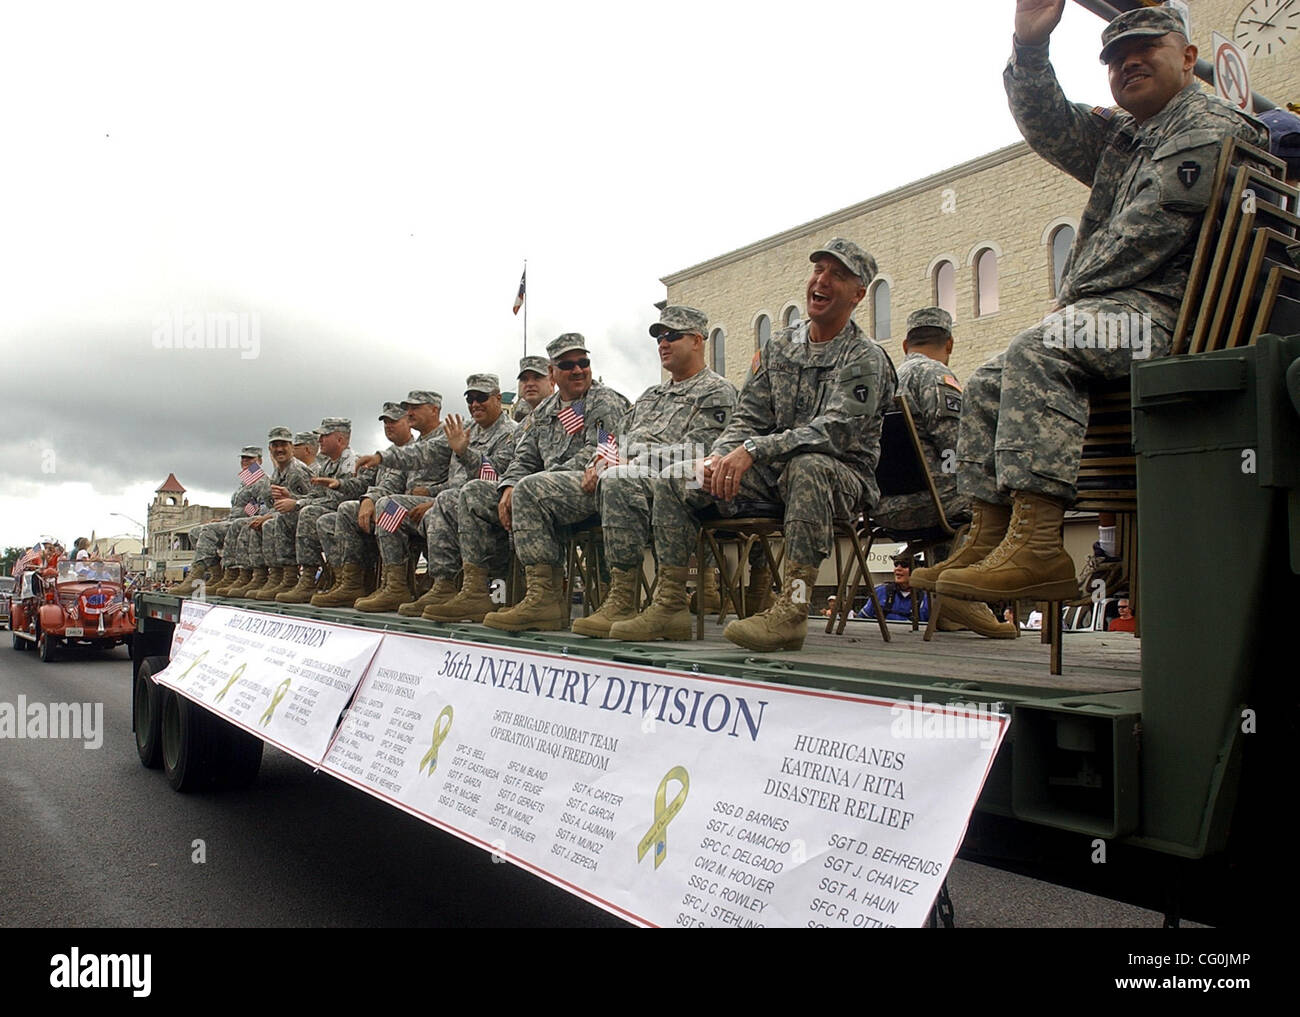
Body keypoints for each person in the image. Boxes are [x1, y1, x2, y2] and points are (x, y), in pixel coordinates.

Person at [916, 2, 1267, 607]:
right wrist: (1029, 47)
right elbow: (1049, 123)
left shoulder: (1207, 123)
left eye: (1144, 50)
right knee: (989, 379)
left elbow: (1151, 230)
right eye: (1113, 58)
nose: (1127, 63)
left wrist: (1066, 302)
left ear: (1187, 58)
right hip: (1119, 318)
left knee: (1039, 346)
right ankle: (992, 533)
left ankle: (1041, 548)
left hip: (1170, 321)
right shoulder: (1130, 137)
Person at [612, 239, 896, 651]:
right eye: (818, 270)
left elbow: (836, 432)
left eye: (837, 275)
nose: (821, 281)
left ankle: (793, 610)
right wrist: (719, 457)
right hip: (770, 475)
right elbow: (747, 417)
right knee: (680, 476)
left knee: (810, 465)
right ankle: (671, 604)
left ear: (858, 293)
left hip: (840, 480)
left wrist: (754, 452)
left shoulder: (865, 358)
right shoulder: (779, 348)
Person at [433, 334, 630, 628]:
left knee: (531, 490)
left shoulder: (604, 401)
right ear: (554, 372)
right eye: (568, 364)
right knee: (473, 492)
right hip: (545, 492)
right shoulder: (545, 412)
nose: (578, 370)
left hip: (593, 486)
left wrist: (535, 482)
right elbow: (524, 458)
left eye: (583, 362)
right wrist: (509, 485)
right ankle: (477, 591)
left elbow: (603, 450)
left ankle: (544, 599)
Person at [565, 305, 737, 638]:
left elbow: (701, 453)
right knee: (538, 488)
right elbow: (612, 439)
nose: (663, 343)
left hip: (690, 484)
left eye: (672, 335)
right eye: (659, 337)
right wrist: (597, 462)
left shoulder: (716, 391)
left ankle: (626, 600)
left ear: (698, 340)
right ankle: (541, 597)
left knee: (618, 481)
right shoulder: (649, 397)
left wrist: (627, 466)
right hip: (631, 478)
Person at [396, 374, 519, 617]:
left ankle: (473, 591)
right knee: (387, 507)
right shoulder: (464, 430)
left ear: (497, 398)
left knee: (450, 503)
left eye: (481, 397)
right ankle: (404, 585)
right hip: (449, 503)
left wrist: (463, 452)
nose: (475, 404)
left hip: (494, 507)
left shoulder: (511, 433)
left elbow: (495, 477)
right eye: (470, 399)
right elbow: (437, 471)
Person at [856, 556, 929, 622]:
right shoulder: (880, 592)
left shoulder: (927, 599)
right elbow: (860, 621)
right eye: (896, 564)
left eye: (905, 565)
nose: (898, 568)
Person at [513, 356, 555, 422]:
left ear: (552, 381)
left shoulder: (568, 416)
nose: (530, 384)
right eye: (524, 379)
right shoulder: (523, 425)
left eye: (537, 377)